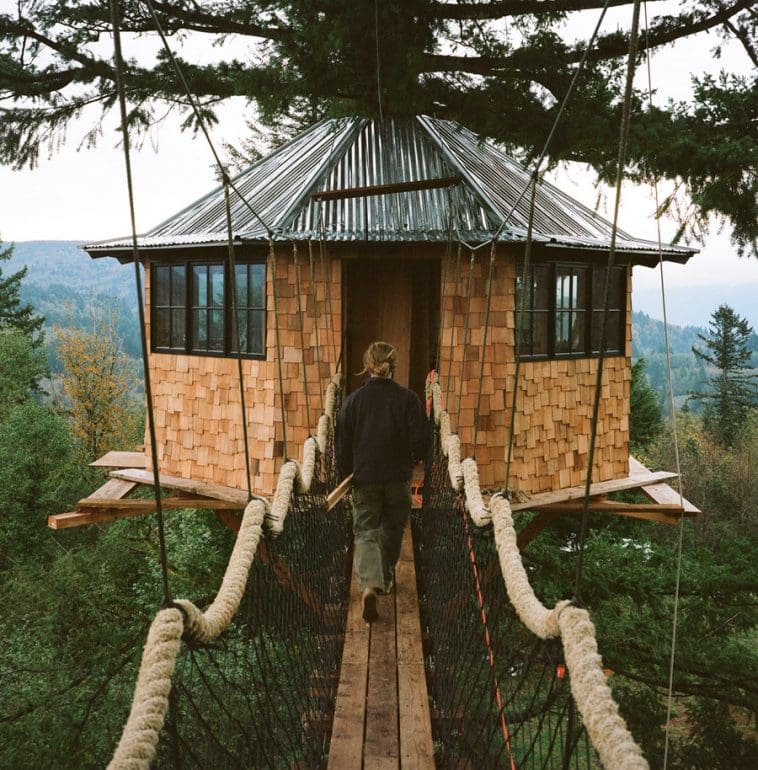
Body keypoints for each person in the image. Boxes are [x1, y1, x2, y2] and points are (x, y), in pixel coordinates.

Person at [336, 341, 431, 622]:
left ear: (367, 366)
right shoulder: (408, 399)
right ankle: (386, 579)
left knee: (365, 531)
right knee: (393, 527)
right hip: (398, 478)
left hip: (365, 478)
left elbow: (341, 446)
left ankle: (369, 585)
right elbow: (422, 441)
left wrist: (347, 473)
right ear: (394, 367)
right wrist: (414, 458)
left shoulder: (352, 402)